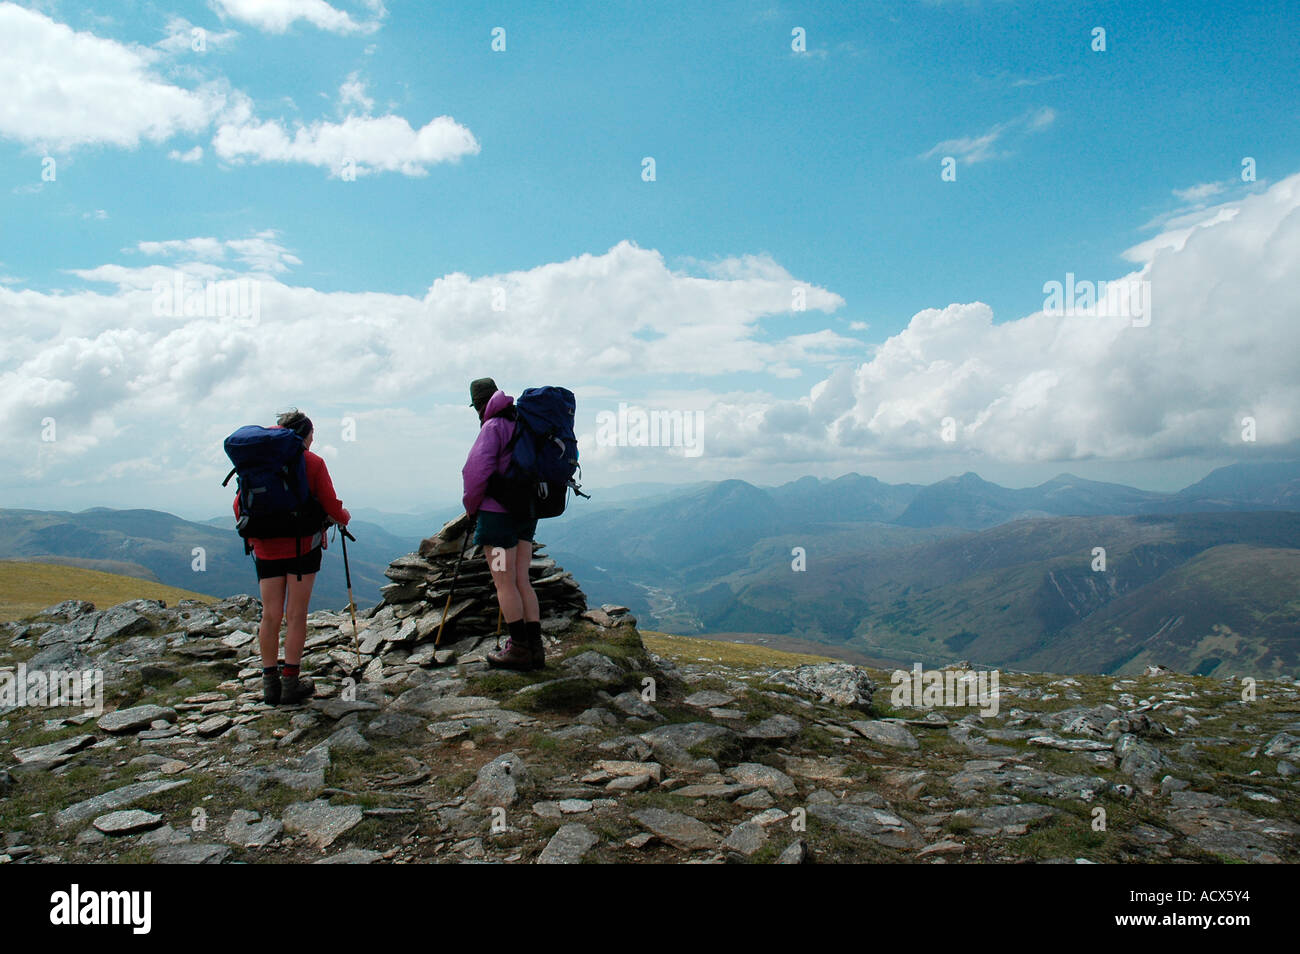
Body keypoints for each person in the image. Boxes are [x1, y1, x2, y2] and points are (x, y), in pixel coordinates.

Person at [233, 409, 351, 705]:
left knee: (270, 615)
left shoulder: (257, 460)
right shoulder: (312, 462)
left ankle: (269, 685)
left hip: (265, 548)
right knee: (296, 615)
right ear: (304, 435)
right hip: (302, 548)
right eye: (312, 435)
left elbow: (239, 506)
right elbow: (331, 504)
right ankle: (290, 684)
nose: (312, 441)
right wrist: (344, 517)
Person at [462, 377, 544, 670]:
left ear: (479, 404)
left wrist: (471, 509)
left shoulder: (493, 427)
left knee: (503, 582)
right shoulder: (521, 421)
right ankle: (535, 648)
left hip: (497, 518)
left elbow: (474, 473)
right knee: (522, 579)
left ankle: (519, 649)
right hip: (527, 513)